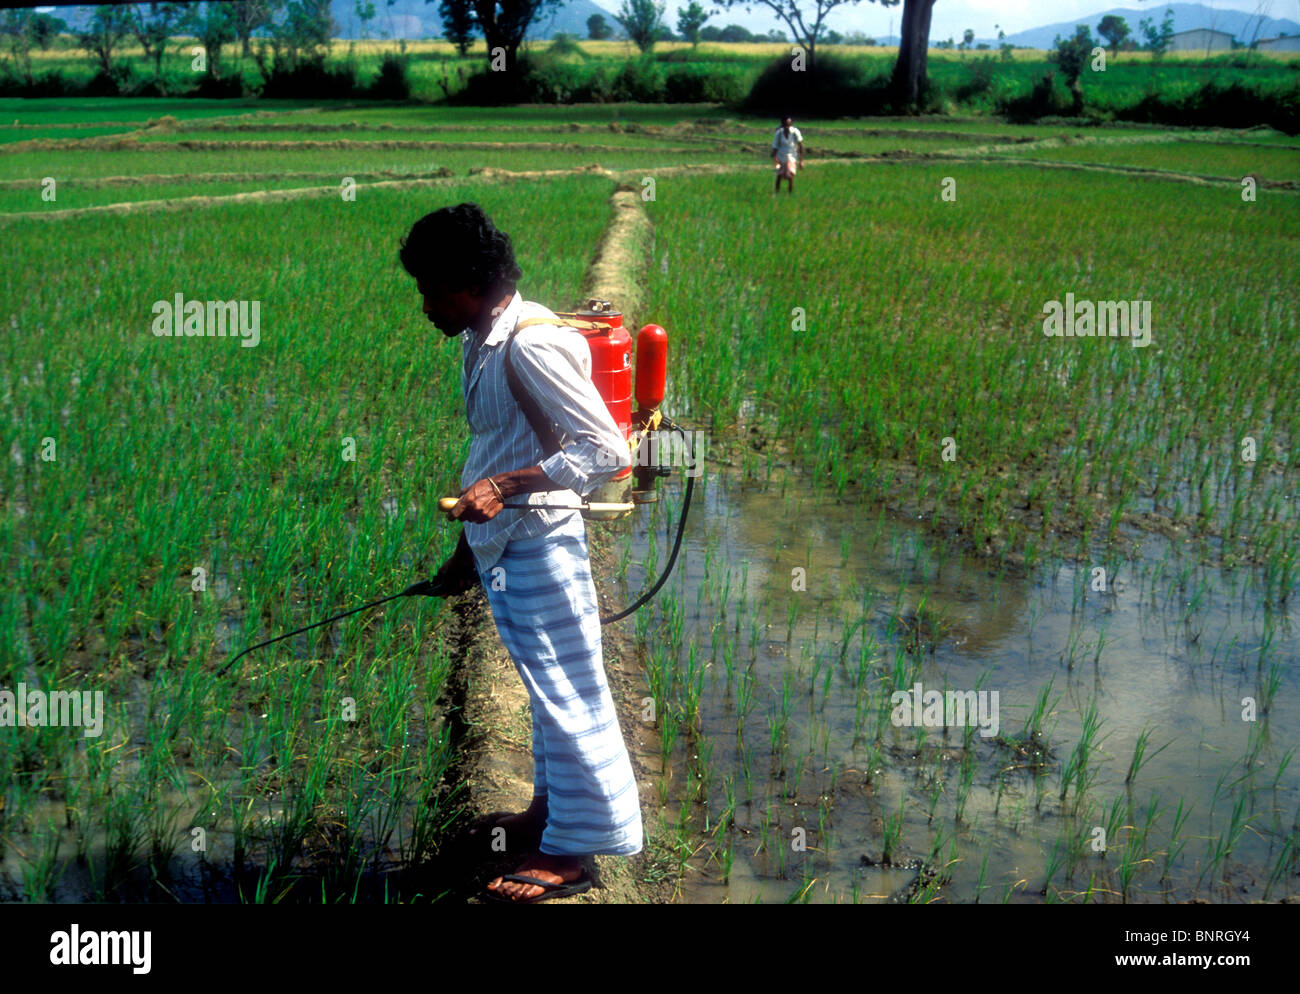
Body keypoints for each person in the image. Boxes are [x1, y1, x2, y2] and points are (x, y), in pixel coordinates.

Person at [399, 203, 641, 903]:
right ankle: (548, 815)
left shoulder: (531, 343)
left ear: (466, 282)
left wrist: (503, 488)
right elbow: (495, 446)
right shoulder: (486, 338)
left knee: (572, 696)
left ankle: (575, 854)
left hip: (543, 546)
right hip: (509, 548)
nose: (424, 306)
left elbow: (606, 450)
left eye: (429, 289)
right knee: (545, 694)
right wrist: (467, 551)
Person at [771, 115, 804, 194]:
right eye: (785, 125)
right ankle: (777, 193)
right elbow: (775, 146)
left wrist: (801, 161)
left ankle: (790, 194)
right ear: (782, 125)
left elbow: (800, 145)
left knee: (790, 175)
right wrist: (775, 158)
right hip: (781, 156)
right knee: (779, 176)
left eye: (789, 124)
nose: (787, 127)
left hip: (792, 156)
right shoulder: (779, 133)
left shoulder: (795, 132)